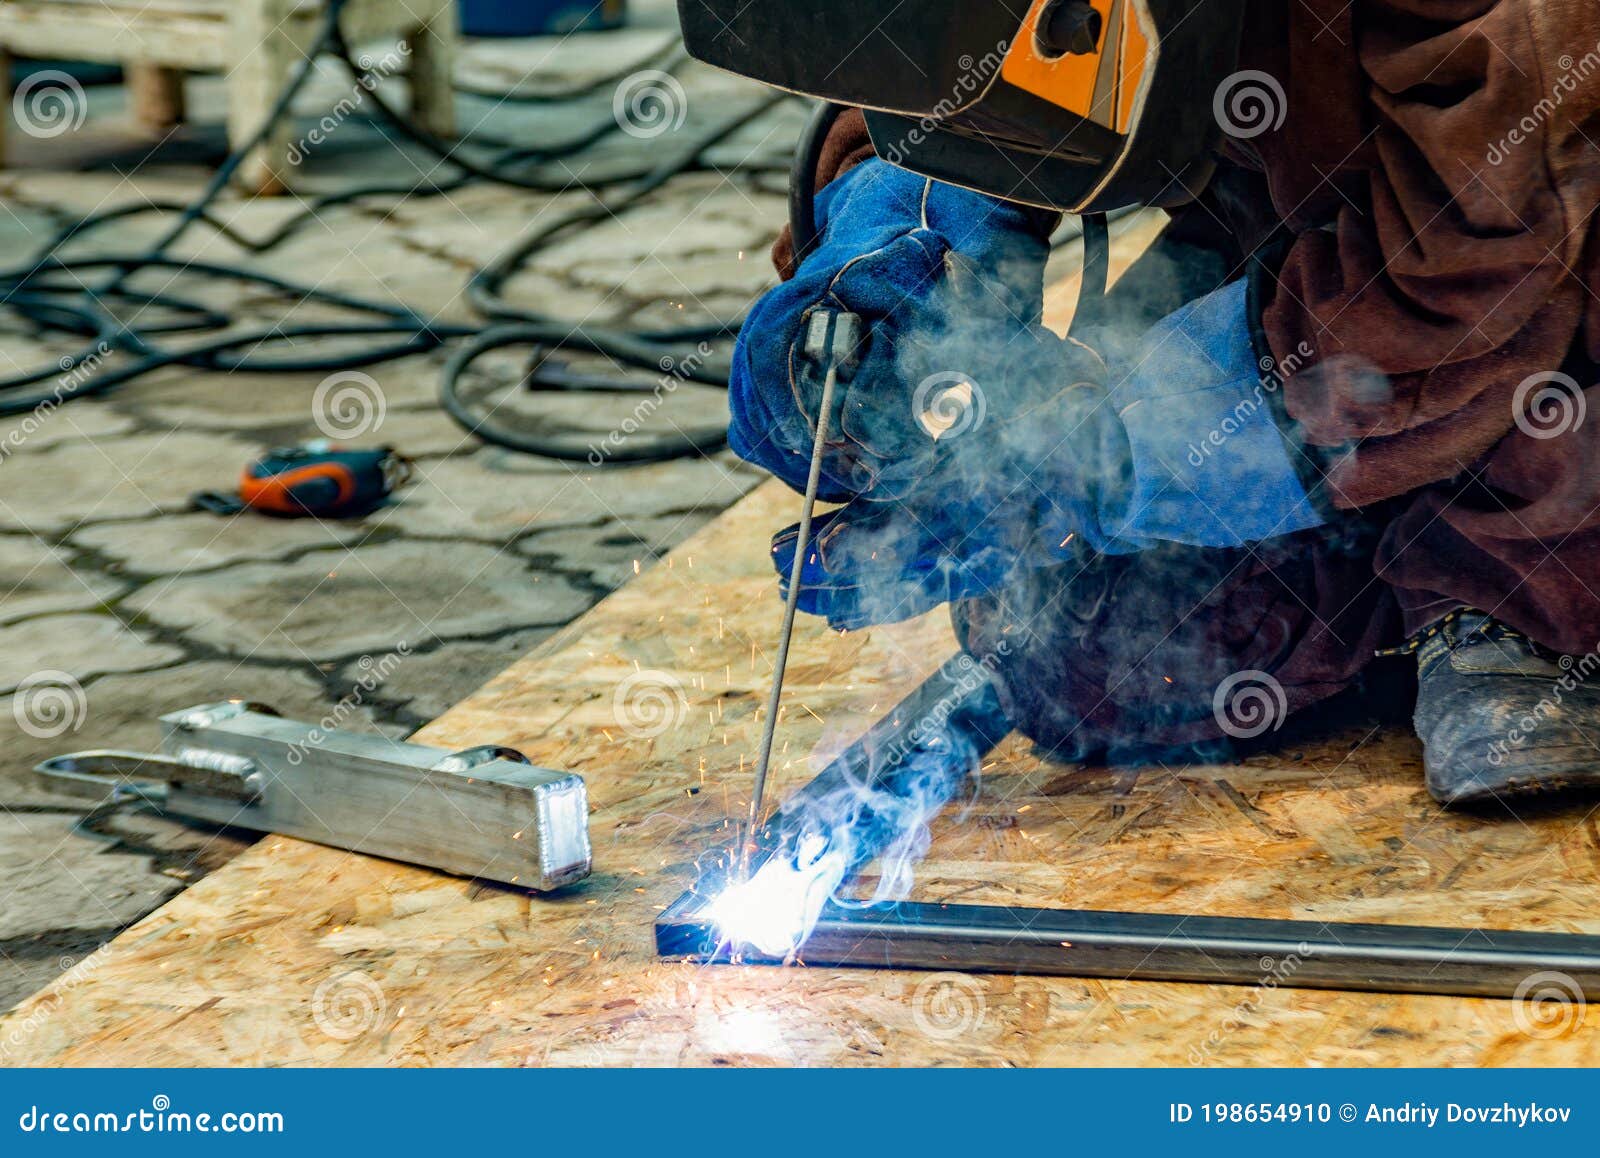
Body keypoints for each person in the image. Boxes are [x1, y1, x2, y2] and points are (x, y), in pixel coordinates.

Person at [723, 0, 1600, 807]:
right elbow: (970, 45)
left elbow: (1466, 257)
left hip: (1517, 236)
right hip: (1325, 206)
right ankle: (1384, 535)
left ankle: (1508, 578)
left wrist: (1105, 460)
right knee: (1075, 650)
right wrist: (904, 225)